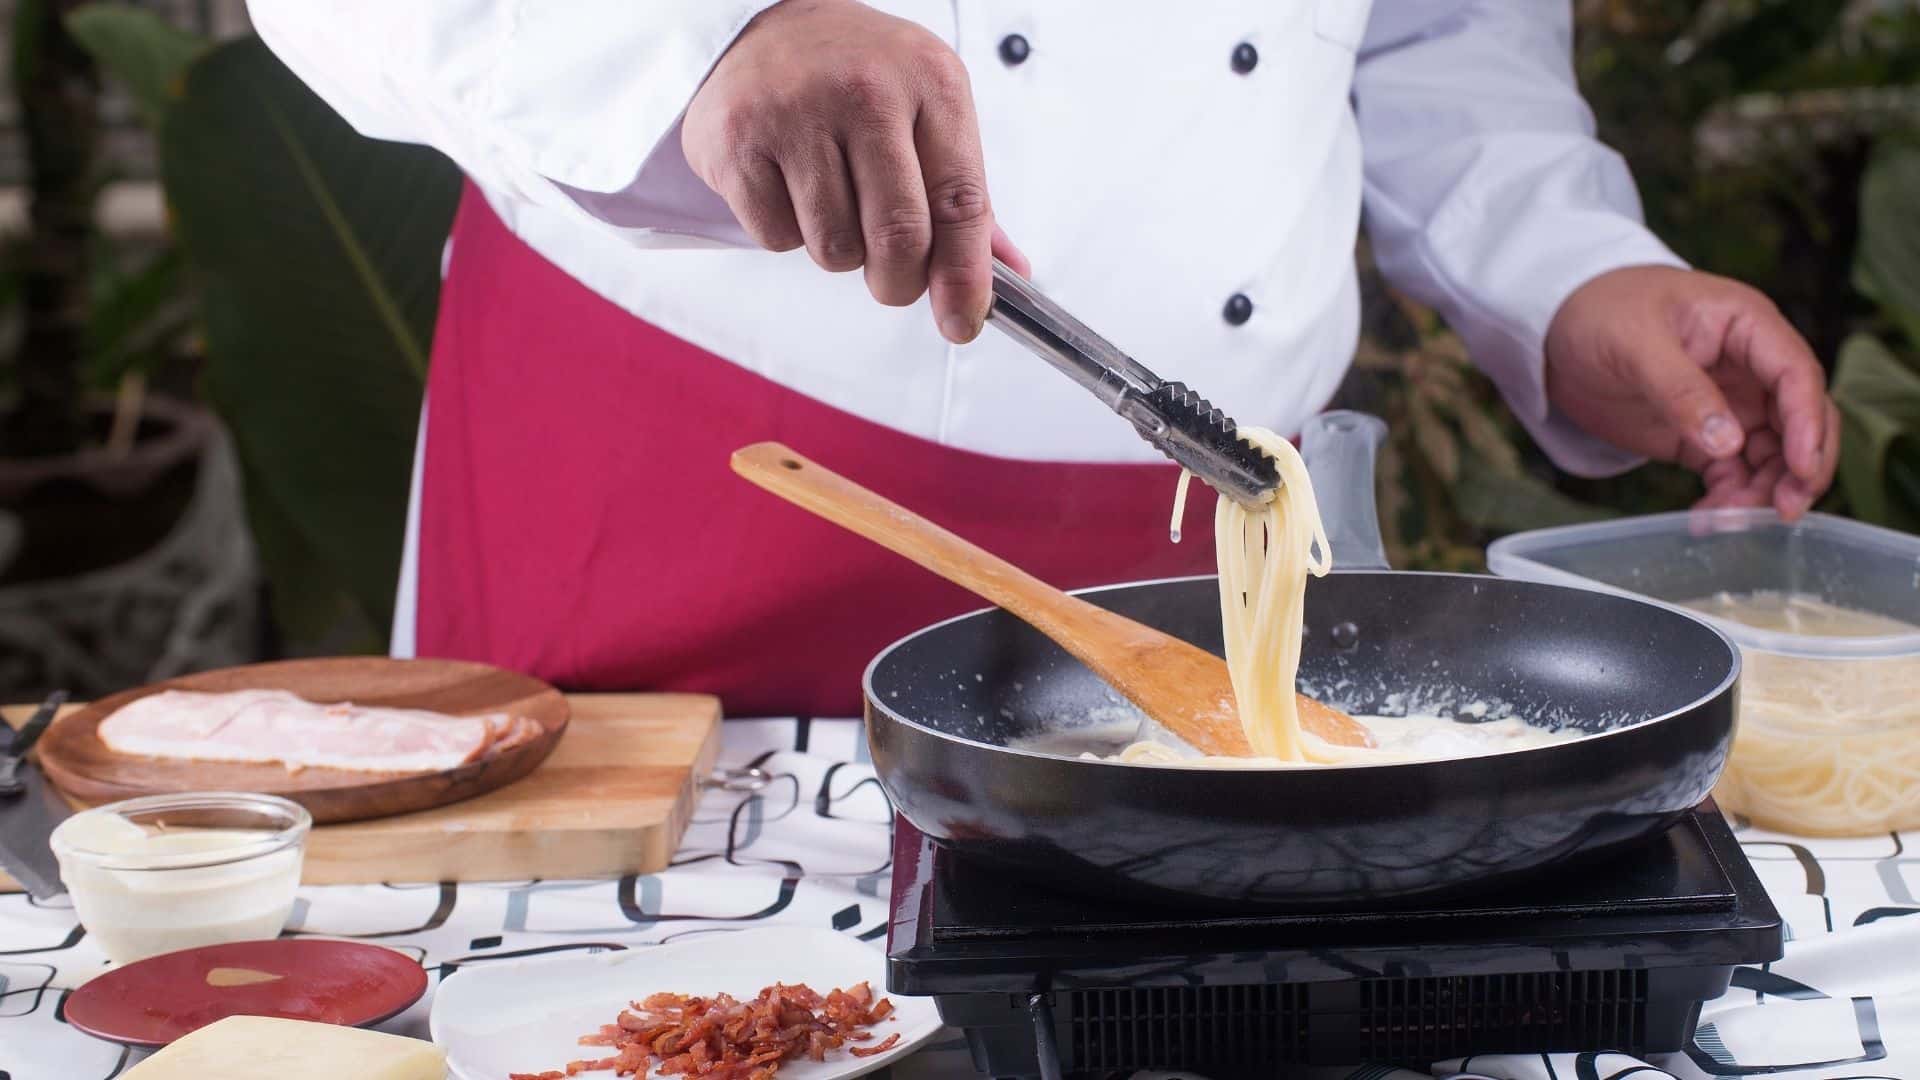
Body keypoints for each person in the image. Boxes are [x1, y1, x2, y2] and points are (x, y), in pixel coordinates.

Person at [247, 1, 1839, 717]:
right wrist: (697, 43)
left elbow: (1435, 27)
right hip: (688, 491)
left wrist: (1567, 268)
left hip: (1224, 558)